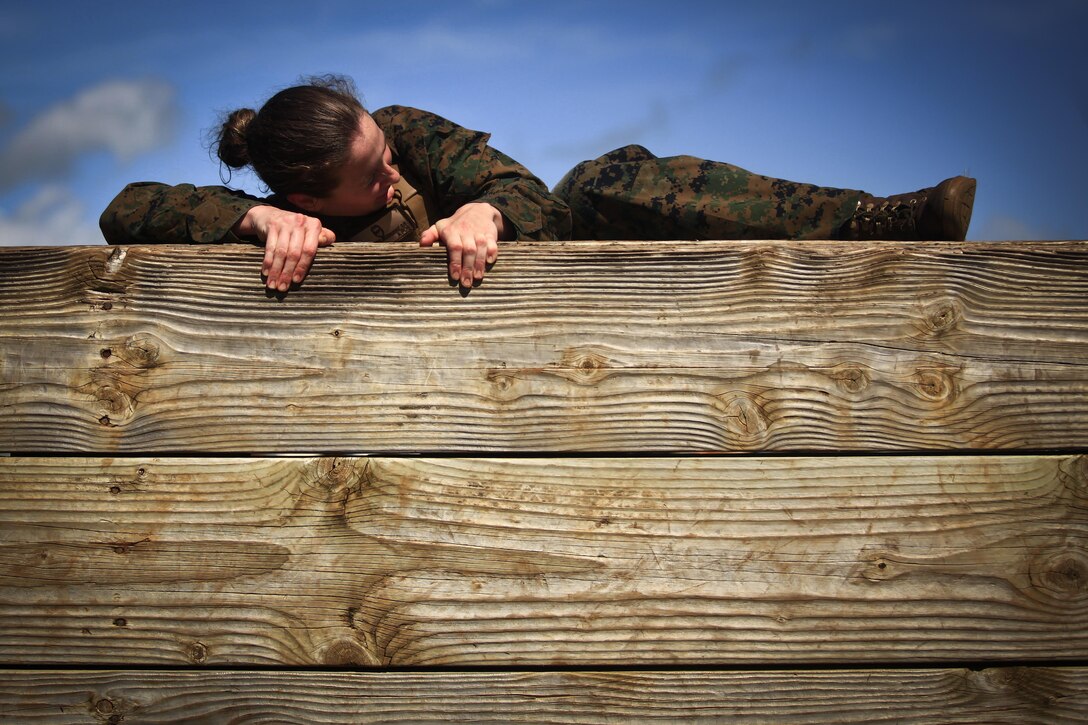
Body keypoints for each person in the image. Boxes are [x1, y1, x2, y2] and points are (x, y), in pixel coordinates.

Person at [100, 75, 976, 291]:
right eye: (370, 179)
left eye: (385, 152)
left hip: (558, 299)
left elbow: (524, 191)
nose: (394, 172)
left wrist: (485, 208)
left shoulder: (403, 132)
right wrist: (253, 222)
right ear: (304, 198)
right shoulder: (277, 203)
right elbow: (125, 209)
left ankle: (870, 219)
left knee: (606, 177)